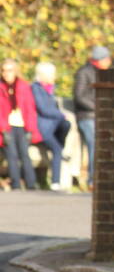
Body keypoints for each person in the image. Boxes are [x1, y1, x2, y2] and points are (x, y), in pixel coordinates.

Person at [0, 57, 42, 190]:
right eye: (4, 71)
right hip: (6, 126)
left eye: (10, 70)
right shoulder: (1, 87)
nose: (6, 73)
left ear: (15, 71)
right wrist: (3, 130)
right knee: (11, 154)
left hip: (22, 125)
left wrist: (31, 129)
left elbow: (30, 109)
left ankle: (31, 183)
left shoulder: (23, 86)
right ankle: (16, 183)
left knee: (25, 153)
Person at [73, 45, 112, 189]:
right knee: (95, 145)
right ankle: (92, 179)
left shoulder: (103, 72)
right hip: (87, 116)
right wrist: (98, 108)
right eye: (107, 59)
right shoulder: (85, 72)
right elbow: (80, 96)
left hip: (99, 115)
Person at [31, 61, 72, 191]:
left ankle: (61, 147)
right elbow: (43, 109)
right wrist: (61, 115)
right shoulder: (36, 88)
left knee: (67, 124)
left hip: (54, 126)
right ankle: (55, 182)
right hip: (44, 128)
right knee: (57, 150)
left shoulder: (50, 89)